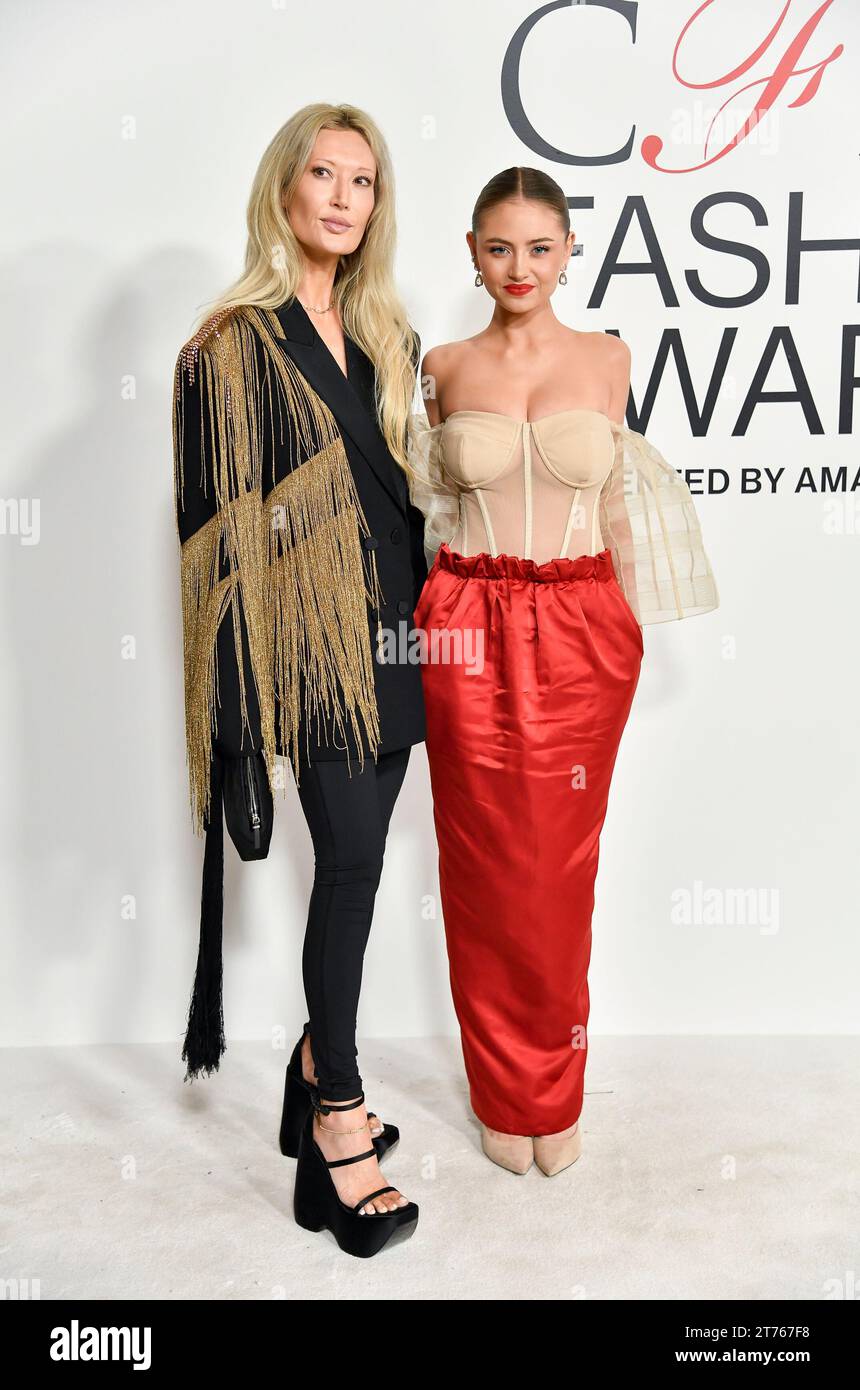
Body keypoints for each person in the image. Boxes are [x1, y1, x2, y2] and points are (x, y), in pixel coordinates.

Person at [408, 166, 719, 1178]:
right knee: (480, 860)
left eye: (539, 248)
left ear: (569, 251)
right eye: (498, 247)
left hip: (583, 623)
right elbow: (425, 507)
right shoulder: (442, 363)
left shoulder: (609, 357)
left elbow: (623, 500)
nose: (519, 267)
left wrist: (620, 622)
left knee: (558, 866)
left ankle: (557, 1090)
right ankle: (505, 1094)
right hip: (464, 620)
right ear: (470, 251)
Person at [172, 103, 426, 1256]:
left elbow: (410, 502)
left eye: (360, 181)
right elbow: (214, 548)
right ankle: (334, 1121)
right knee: (356, 861)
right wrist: (236, 716)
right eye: (319, 173)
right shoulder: (227, 344)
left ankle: (310, 1070)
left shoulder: (387, 336)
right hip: (311, 648)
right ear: (283, 189)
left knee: (364, 874)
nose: (339, 196)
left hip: (399, 640)